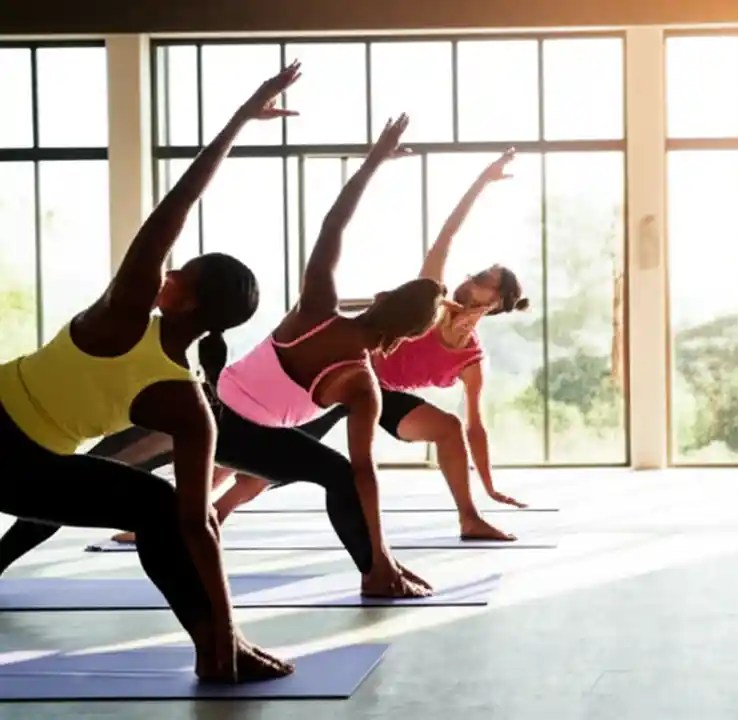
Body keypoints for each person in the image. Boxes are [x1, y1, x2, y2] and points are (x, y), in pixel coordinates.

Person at [0, 114, 442, 600]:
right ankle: (374, 574)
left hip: (194, 405)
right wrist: (381, 555)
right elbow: (363, 475)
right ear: (407, 336)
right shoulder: (361, 384)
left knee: (64, 480)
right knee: (336, 471)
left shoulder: (316, 307)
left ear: (379, 296)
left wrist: (375, 159)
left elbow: (335, 221)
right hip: (222, 423)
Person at [0, 64, 301, 682]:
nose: (165, 273)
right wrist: (227, 630)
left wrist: (240, 119)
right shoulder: (189, 405)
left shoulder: (124, 315)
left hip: (14, 458)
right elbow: (200, 525)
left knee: (159, 505)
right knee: (162, 506)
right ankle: (217, 653)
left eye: (177, 273)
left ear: (184, 300)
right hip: (20, 473)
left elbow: (177, 203)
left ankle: (220, 649)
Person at [196, 150, 535, 542]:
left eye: (483, 278)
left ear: (494, 302)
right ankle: (200, 510)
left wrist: (490, 485)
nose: (472, 276)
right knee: (256, 453)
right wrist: (482, 181)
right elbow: (448, 234)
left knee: (449, 427)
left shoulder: (472, 358)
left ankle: (470, 518)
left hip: (380, 394)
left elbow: (476, 425)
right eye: (478, 271)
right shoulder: (430, 297)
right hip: (345, 377)